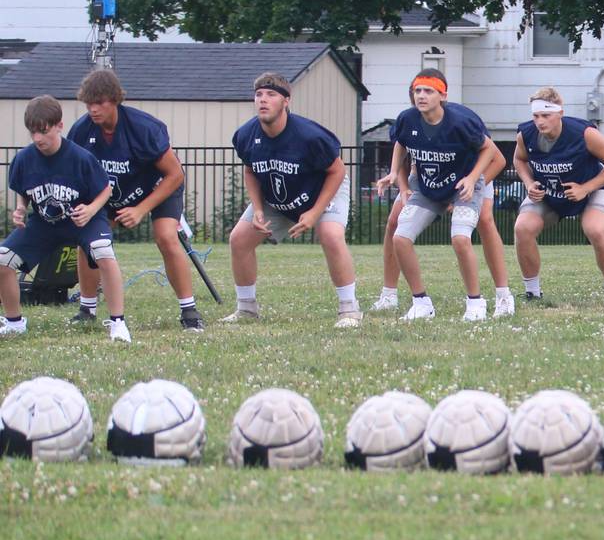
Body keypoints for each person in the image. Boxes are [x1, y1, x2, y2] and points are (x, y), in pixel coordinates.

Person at [67, 68, 203, 330]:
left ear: (115, 99)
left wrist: (140, 209)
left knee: (166, 236)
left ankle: (189, 311)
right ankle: (87, 308)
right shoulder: (82, 131)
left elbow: (175, 174)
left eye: (100, 103)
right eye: (89, 103)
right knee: (88, 239)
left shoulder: (143, 128)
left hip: (157, 187)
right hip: (111, 193)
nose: (93, 109)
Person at [224, 73, 361, 328]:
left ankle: (349, 309)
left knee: (331, 235)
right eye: (258, 94)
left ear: (286, 101)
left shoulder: (309, 135)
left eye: (271, 94)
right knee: (239, 239)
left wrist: (314, 212)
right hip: (279, 196)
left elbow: (337, 171)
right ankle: (246, 309)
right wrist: (257, 208)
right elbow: (250, 170)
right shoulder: (245, 135)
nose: (263, 99)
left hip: (321, 189)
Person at [373, 73, 505, 321]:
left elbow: (494, 154)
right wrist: (394, 173)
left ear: (443, 96)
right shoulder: (407, 119)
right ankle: (420, 302)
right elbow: (401, 143)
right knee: (399, 235)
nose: (421, 96)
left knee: (464, 235)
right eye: (417, 91)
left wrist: (472, 179)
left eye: (428, 91)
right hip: (428, 185)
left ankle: (482, 300)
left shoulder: (461, 121)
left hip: (464, 182)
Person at [0, 95, 130, 341]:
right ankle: (14, 322)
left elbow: (106, 190)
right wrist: (20, 208)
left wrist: (91, 210)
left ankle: (118, 323)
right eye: (32, 132)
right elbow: (24, 190)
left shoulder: (81, 157)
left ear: (59, 126)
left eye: (43, 131)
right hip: (44, 224)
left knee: (103, 251)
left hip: (84, 221)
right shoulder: (24, 159)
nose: (37, 138)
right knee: (2, 260)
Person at [512, 88, 604, 308]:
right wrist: (529, 184)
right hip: (550, 194)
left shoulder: (583, 133)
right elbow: (519, 160)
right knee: (522, 228)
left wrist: (585, 188)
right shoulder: (526, 134)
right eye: (536, 116)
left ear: (560, 113)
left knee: (595, 230)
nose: (540, 121)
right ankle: (532, 293)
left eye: (546, 115)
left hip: (593, 188)